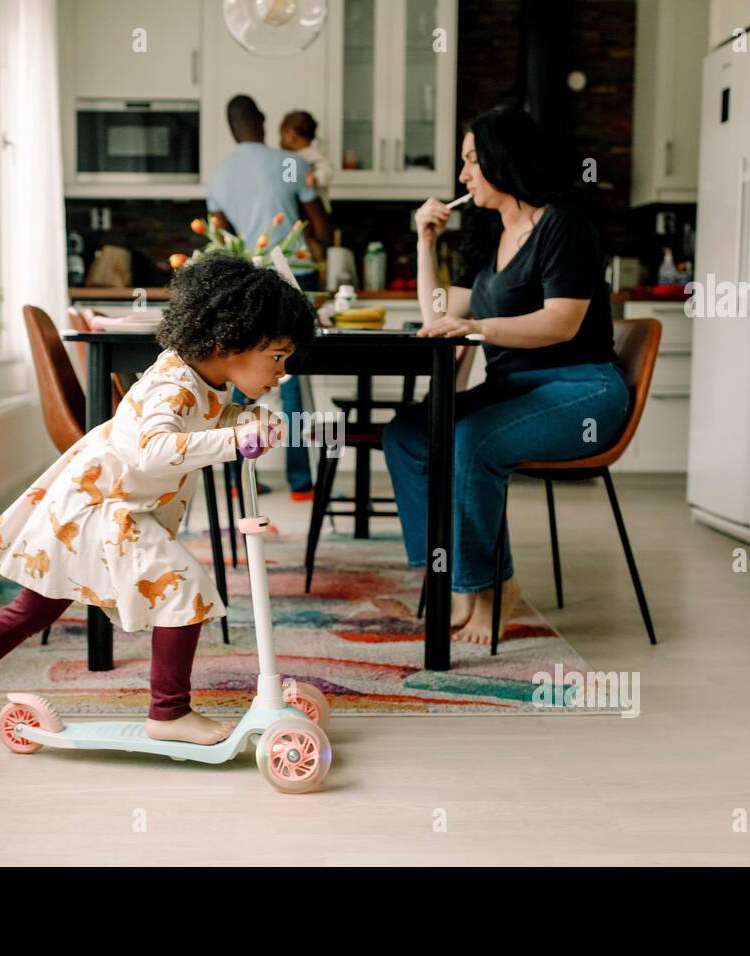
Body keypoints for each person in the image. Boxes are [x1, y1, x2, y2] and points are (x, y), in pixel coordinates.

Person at [0, 255, 317, 744]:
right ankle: (169, 713)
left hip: (103, 503)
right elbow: (154, 451)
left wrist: (246, 420)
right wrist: (236, 439)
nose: (282, 373)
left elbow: (212, 419)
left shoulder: (207, 379)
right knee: (182, 587)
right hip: (99, 508)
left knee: (35, 608)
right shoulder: (171, 387)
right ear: (228, 342)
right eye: (277, 358)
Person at [383, 104, 630, 645]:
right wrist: (425, 242)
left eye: (472, 161)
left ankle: (495, 589)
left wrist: (478, 327)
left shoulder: (564, 224)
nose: (463, 176)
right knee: (407, 433)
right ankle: (451, 577)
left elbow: (562, 324)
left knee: (470, 439)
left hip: (581, 389)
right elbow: (439, 315)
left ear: (504, 160)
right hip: (513, 390)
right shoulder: (494, 235)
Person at [206, 94, 329, 499]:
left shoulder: (219, 175)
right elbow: (322, 229)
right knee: (290, 378)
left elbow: (221, 237)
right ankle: (301, 483)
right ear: (262, 119)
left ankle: (240, 477)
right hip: (296, 279)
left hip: (249, 285)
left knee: (242, 375)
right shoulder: (291, 164)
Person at [280, 109, 334, 216]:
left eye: (282, 134)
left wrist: (316, 178)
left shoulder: (312, 155)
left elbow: (327, 170)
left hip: (317, 214)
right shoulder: (288, 157)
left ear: (290, 134)